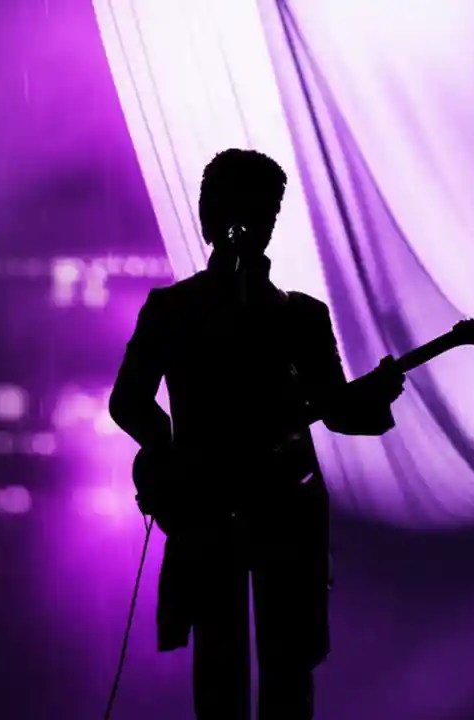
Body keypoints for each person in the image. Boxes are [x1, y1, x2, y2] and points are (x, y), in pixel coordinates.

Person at [109, 148, 404, 719]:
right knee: (224, 670)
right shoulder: (175, 309)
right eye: (254, 209)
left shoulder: (300, 316)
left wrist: (379, 393)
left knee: (284, 672)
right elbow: (129, 403)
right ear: (218, 213)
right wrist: (169, 452)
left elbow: (336, 409)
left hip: (282, 510)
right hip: (218, 511)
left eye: (270, 211)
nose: (262, 223)